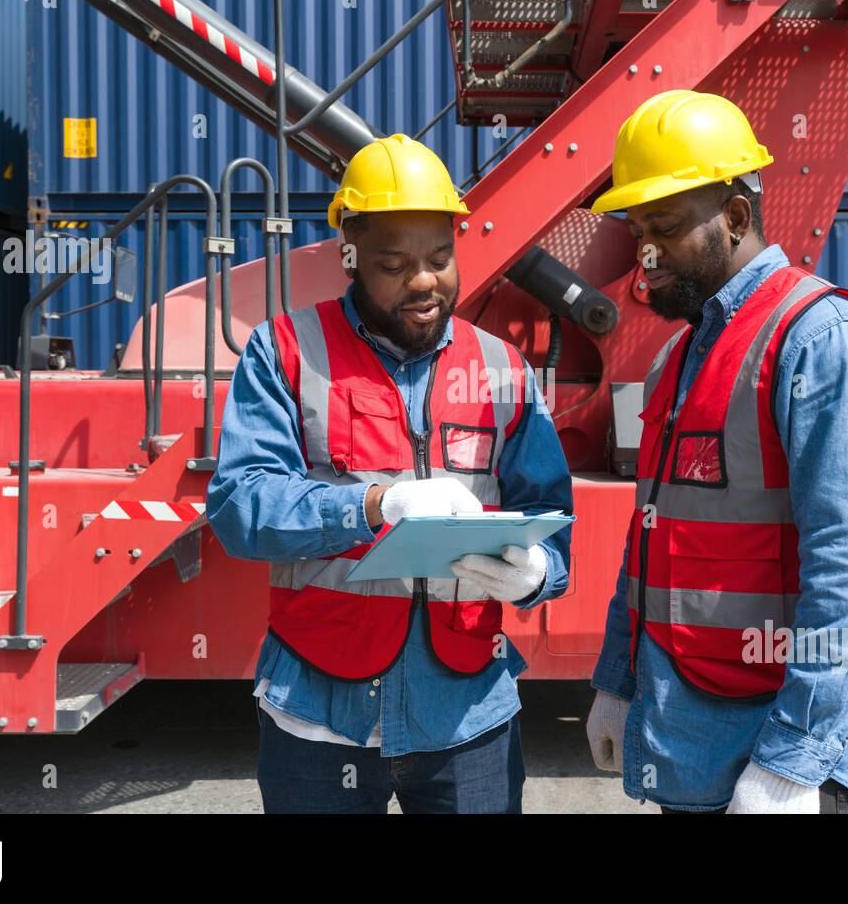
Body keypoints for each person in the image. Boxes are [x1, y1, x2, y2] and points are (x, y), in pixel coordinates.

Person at [207, 133, 573, 814]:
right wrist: (375, 504)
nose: (424, 280)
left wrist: (537, 574)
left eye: (439, 258)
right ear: (351, 258)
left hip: (469, 717)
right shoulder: (286, 350)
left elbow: (551, 517)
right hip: (319, 716)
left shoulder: (501, 367)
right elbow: (239, 506)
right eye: (393, 264)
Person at [584, 90, 848, 814]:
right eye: (637, 228)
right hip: (693, 742)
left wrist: (791, 768)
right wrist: (619, 680)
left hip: (782, 756)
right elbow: (652, 541)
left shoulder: (825, 341)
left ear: (735, 217)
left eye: (663, 228)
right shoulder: (680, 356)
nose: (644, 254)